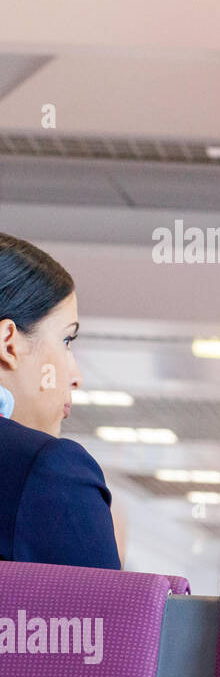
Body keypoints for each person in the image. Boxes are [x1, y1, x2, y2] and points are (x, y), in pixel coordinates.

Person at [0, 233, 121, 570]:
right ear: (9, 343)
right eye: (66, 339)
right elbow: (102, 622)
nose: (75, 375)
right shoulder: (49, 472)